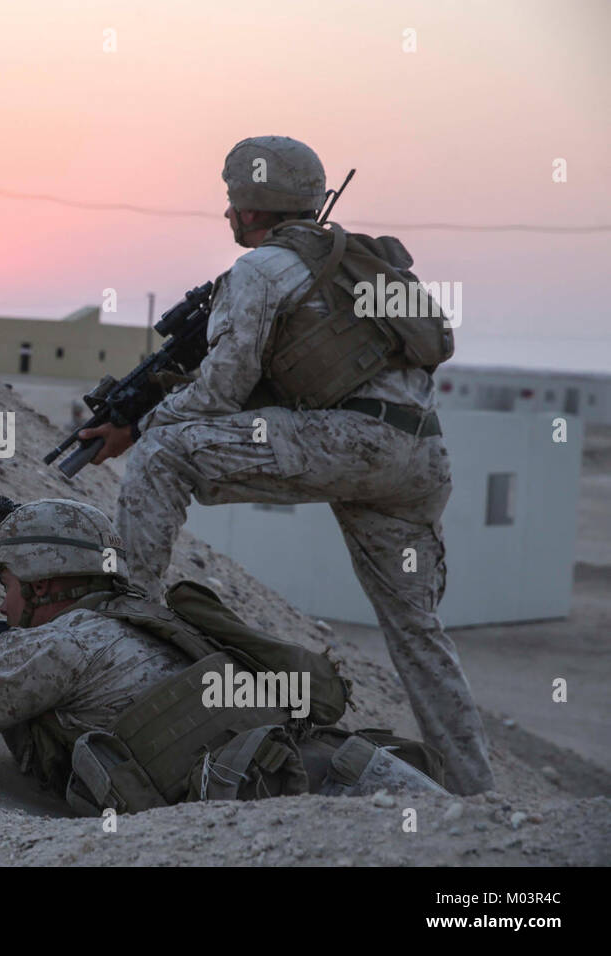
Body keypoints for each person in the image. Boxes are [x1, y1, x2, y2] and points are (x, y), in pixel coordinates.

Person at [77, 135, 494, 795]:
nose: (228, 215)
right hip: (418, 458)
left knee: (162, 455)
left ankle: (126, 625)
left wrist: (143, 426)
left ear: (250, 210)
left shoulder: (261, 270)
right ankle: (476, 793)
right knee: (418, 633)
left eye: (232, 204)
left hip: (347, 444)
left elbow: (221, 389)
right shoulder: (358, 263)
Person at [0, 497, 447, 813]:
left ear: (44, 584)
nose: (0, 605)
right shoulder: (132, 617)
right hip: (331, 762)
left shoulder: (62, 644)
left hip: (304, 788)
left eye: (9, 586)